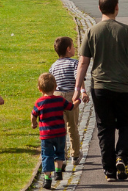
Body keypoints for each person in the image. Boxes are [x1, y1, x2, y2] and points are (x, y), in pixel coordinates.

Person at [74, 0, 128, 182]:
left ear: (99, 8)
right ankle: (122, 156)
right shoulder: (126, 30)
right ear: (117, 8)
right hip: (124, 86)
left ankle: (109, 171)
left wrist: (77, 89)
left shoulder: (92, 32)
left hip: (100, 87)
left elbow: (83, 63)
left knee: (105, 128)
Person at [32, 73, 80, 189]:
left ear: (39, 89)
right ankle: (58, 171)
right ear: (55, 87)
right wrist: (77, 101)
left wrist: (33, 123)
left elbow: (33, 114)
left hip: (46, 135)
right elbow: (71, 107)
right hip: (60, 133)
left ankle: (47, 178)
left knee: (47, 155)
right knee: (59, 152)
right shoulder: (60, 100)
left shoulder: (39, 102)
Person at [49, 37, 82, 168]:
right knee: (72, 126)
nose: (74, 49)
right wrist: (81, 92)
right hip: (70, 96)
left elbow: (52, 83)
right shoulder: (74, 63)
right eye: (73, 46)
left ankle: (61, 156)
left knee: (60, 129)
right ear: (68, 49)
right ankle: (75, 154)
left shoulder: (53, 66)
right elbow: (78, 78)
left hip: (57, 97)